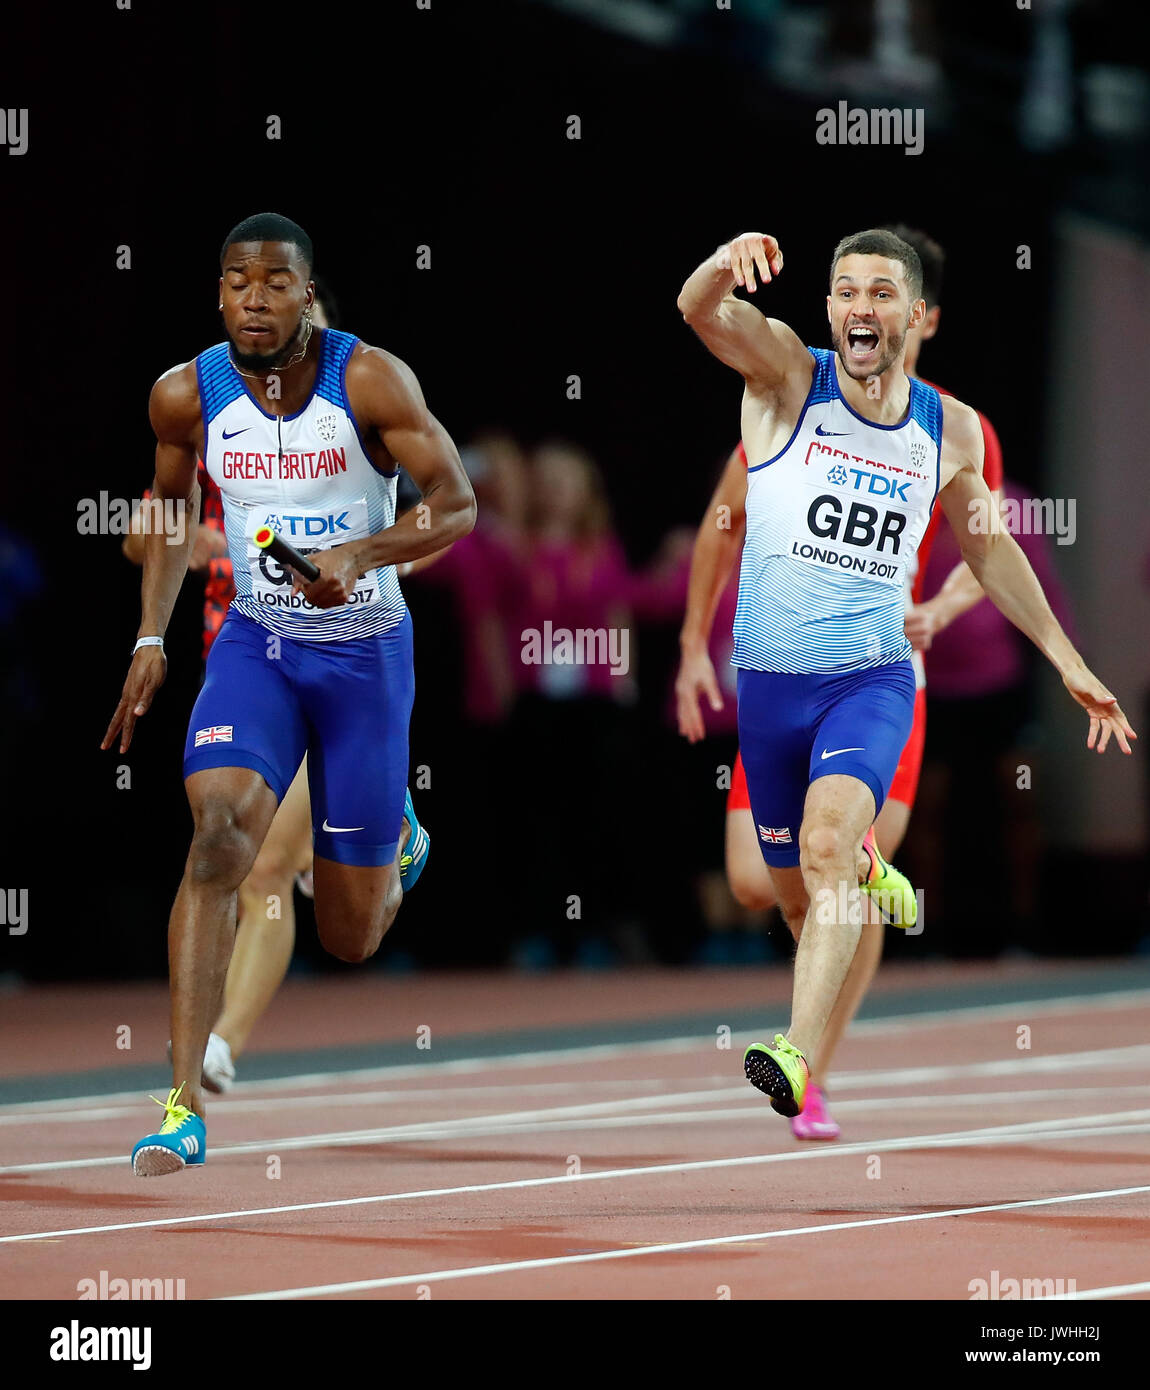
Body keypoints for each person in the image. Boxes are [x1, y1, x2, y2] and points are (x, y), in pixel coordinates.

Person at [676, 226, 1134, 1123]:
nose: (862, 308)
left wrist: (1070, 662)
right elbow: (696, 309)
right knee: (778, 889)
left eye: (882, 294)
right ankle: (866, 871)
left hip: (874, 680)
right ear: (828, 308)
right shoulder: (785, 377)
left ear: (915, 315)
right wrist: (721, 264)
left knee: (826, 851)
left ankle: (799, 1057)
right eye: (847, 291)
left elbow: (990, 550)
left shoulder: (952, 428)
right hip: (770, 689)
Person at [103, 212, 475, 1175]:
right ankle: (182, 1105)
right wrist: (151, 632)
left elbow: (458, 501)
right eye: (237, 282)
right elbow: (172, 505)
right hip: (258, 646)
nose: (254, 299)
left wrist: (364, 551)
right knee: (220, 834)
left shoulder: (370, 379)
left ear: (308, 294)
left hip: (364, 656)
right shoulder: (185, 395)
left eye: (275, 282)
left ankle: (399, 838)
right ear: (218, 293)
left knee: (348, 937)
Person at [122, 287, 335, 1092]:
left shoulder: (344, 439)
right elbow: (143, 533)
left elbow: (434, 520)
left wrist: (374, 558)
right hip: (245, 678)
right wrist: (190, 538)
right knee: (241, 860)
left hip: (333, 664)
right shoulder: (215, 438)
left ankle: (220, 1046)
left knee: (277, 869)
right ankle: (215, 1047)